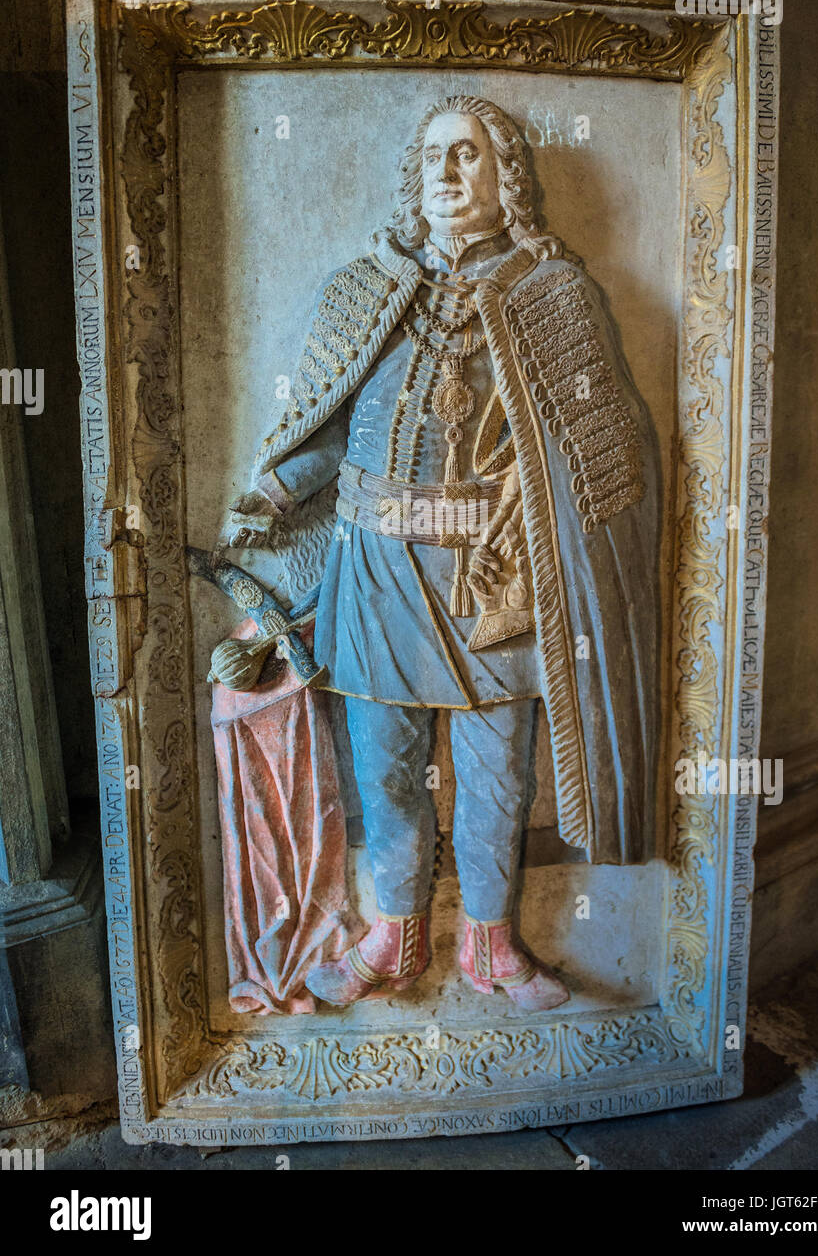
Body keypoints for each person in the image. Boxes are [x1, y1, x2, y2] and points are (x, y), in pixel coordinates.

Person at [221, 94, 659, 1012]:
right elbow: (330, 422)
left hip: (494, 580)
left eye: (468, 156)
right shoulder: (373, 288)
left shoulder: (553, 293)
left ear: (509, 176)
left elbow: (604, 443)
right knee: (385, 768)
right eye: (432, 158)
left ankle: (492, 946)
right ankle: (394, 937)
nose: (447, 174)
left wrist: (535, 507)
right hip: (377, 572)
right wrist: (271, 492)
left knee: (499, 771)